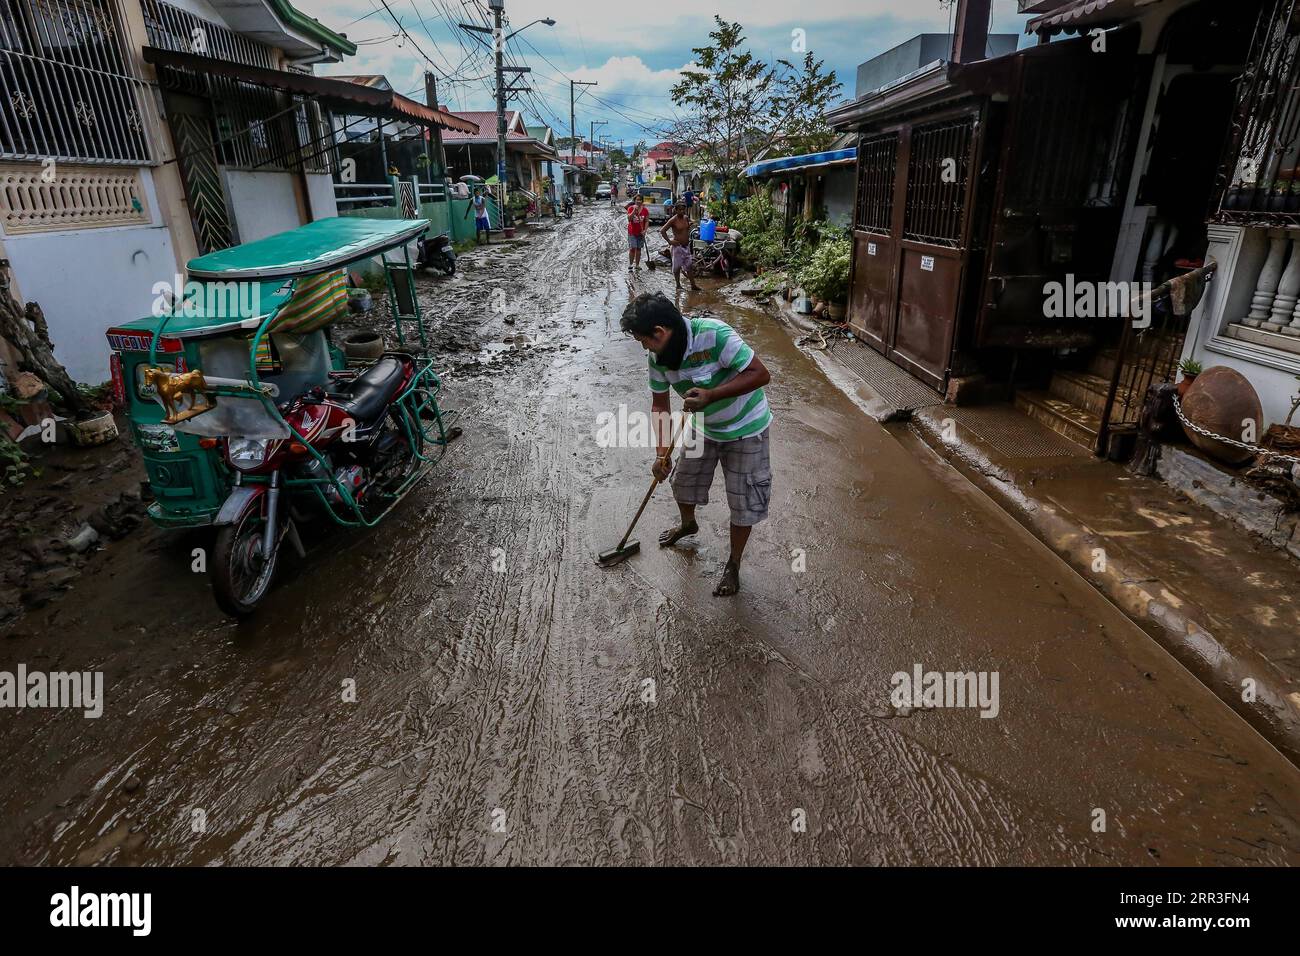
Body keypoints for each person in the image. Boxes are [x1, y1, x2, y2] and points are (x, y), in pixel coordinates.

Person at [620, 292, 773, 597]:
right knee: (683, 483)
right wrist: (662, 453)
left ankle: (733, 563)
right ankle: (688, 524)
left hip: (746, 426)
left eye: (644, 340)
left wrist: (712, 395)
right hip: (704, 428)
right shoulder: (658, 359)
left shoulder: (715, 335)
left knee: (744, 501)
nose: (644, 347)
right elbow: (660, 405)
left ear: (660, 333)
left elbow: (761, 374)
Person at [659, 202, 698, 291]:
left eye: (683, 209)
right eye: (680, 209)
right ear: (676, 210)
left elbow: (686, 229)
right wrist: (669, 241)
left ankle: (693, 285)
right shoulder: (673, 220)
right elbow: (662, 231)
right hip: (677, 246)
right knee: (677, 267)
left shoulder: (686, 218)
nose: (682, 211)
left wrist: (690, 225)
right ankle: (678, 285)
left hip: (686, 246)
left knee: (689, 266)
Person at [626, 194, 649, 271]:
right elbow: (629, 219)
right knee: (632, 248)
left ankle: (637, 265)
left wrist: (645, 230)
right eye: (637, 200)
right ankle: (630, 264)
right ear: (634, 201)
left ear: (642, 201)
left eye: (640, 200)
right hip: (632, 232)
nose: (638, 201)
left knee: (638, 249)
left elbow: (646, 221)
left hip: (640, 232)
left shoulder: (645, 210)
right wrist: (633, 211)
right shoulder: (630, 208)